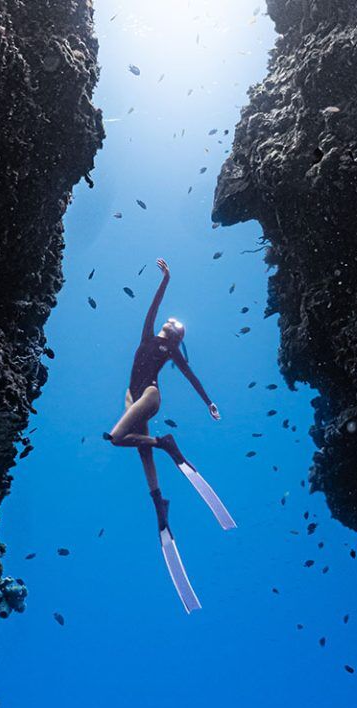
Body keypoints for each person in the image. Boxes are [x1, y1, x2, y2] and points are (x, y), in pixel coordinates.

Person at [103, 259, 234, 612]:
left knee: (117, 438)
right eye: (171, 320)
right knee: (142, 457)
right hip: (131, 397)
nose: (170, 320)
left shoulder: (170, 349)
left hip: (148, 395)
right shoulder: (148, 335)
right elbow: (153, 307)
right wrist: (165, 281)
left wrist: (209, 402)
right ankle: (158, 502)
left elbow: (190, 376)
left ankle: (167, 443)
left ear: (177, 336)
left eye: (176, 325)